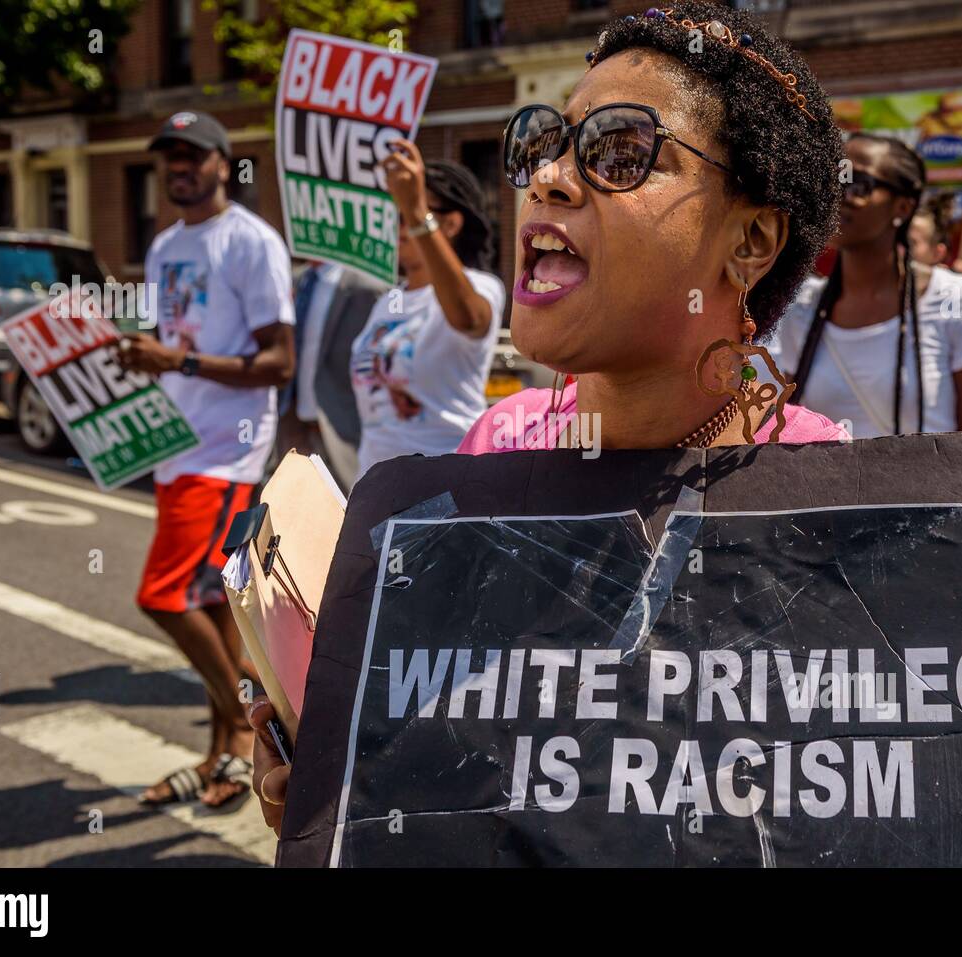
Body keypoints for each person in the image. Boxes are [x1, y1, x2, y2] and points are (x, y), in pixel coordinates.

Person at [249, 1, 850, 832]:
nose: (547, 177)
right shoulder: (497, 446)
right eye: (545, 142)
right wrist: (342, 792)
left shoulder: (834, 496)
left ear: (749, 240)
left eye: (619, 150)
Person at [118, 110, 295, 808]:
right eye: (169, 157)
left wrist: (180, 358)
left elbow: (277, 362)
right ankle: (223, 755)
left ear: (225, 164)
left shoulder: (251, 243)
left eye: (193, 155)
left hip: (226, 453)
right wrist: (146, 358)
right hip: (174, 445)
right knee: (221, 616)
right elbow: (179, 344)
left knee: (161, 595)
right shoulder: (164, 247)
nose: (178, 168)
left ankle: (269, 733)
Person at [768, 133, 962, 439]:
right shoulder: (800, 309)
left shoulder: (958, 300)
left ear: (903, 207)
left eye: (859, 183)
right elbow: (790, 425)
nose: (839, 194)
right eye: (832, 179)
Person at [349, 145, 505, 480]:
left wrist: (417, 213)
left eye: (412, 215)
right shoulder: (387, 302)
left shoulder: (481, 287)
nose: (401, 227)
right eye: (399, 216)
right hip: (375, 486)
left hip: (446, 484)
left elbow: (467, 317)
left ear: (450, 224)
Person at [276, 260, 388, 488]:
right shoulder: (296, 280)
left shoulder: (367, 285)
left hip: (342, 427)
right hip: (293, 425)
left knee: (349, 511)